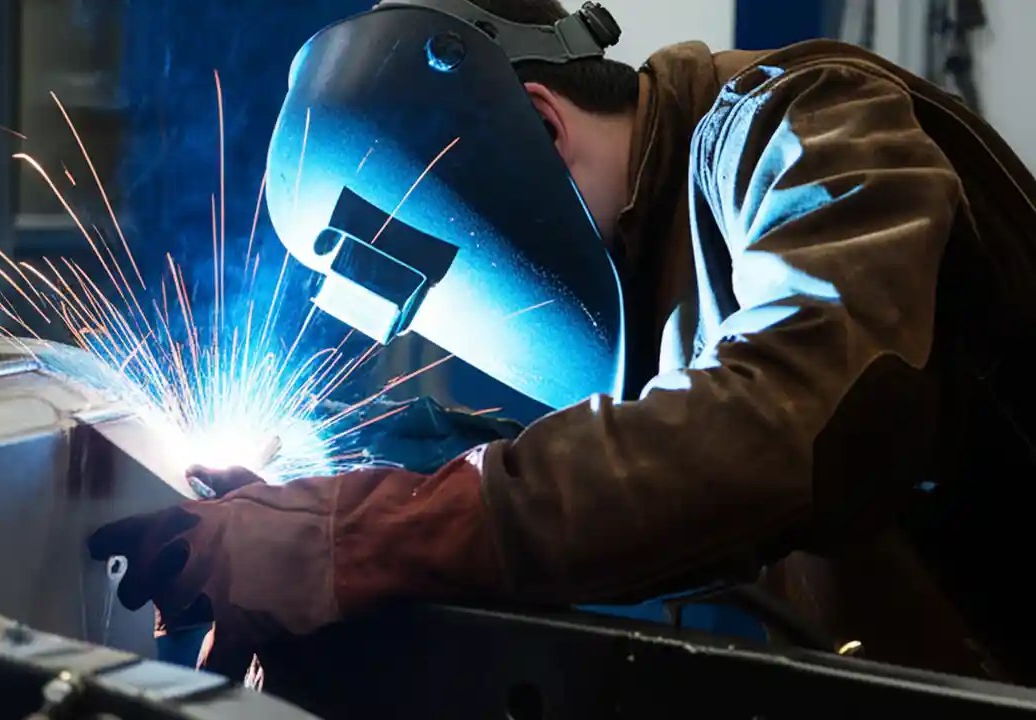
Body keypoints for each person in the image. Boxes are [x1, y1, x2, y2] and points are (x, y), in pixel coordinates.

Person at [90, 0, 1036, 684]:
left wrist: (370, 537)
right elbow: (674, 464)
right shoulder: (663, 298)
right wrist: (400, 482)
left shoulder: (809, 122)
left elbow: (795, 417)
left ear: (543, 125)